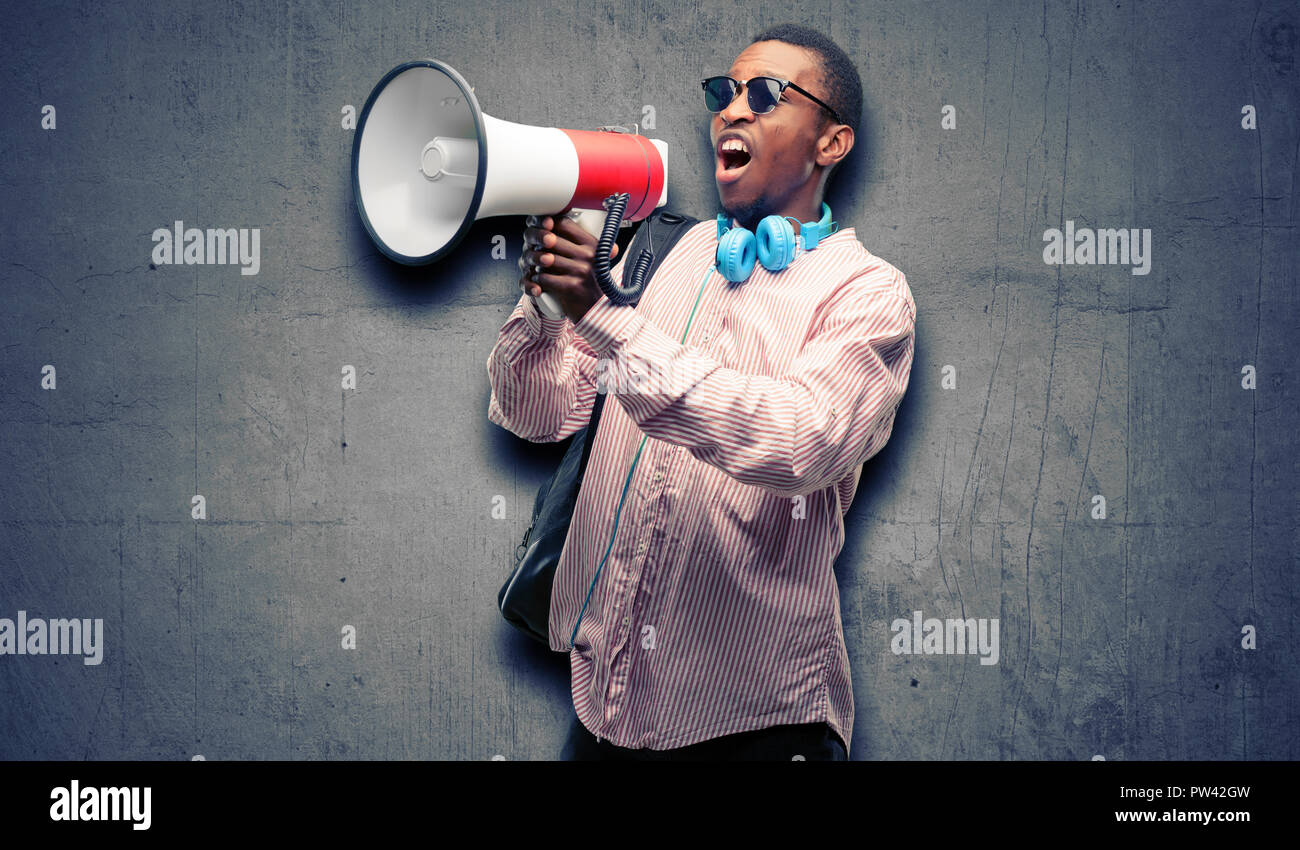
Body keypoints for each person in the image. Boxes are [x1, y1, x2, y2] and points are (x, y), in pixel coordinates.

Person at [486, 23, 916, 761]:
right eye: (724, 93)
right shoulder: (663, 254)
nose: (732, 111)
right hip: (602, 717)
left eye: (765, 95)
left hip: (756, 729)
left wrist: (606, 320)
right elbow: (534, 414)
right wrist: (548, 300)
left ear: (832, 143)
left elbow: (798, 440)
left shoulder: (868, 293)